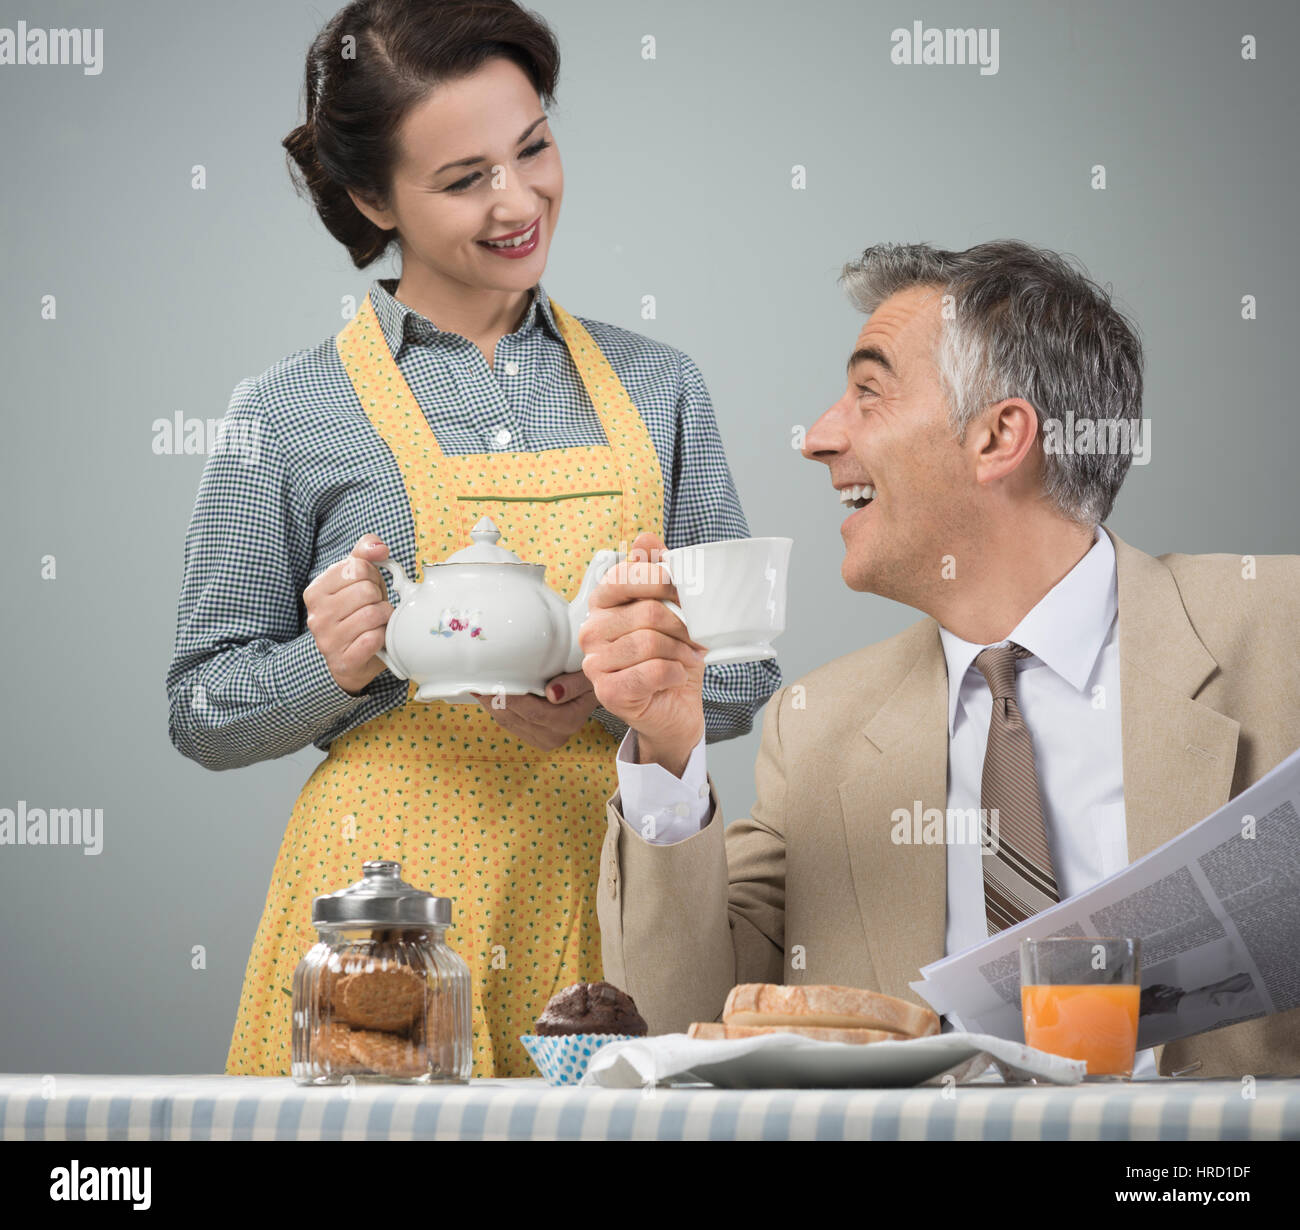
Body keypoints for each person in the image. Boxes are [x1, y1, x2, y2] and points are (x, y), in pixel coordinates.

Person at [165, 0, 779, 1079]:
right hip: (386, 928)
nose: (517, 202)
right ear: (371, 197)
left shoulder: (659, 385)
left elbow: (748, 672)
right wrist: (333, 665)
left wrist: (622, 693)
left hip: (621, 893)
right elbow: (202, 709)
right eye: (462, 180)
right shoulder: (288, 410)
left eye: (532, 147)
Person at [580, 239, 1300, 1080]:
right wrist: (667, 747)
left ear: (1000, 436)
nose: (816, 438)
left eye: (868, 392)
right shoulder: (817, 730)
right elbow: (676, 1020)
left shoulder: (1280, 631)